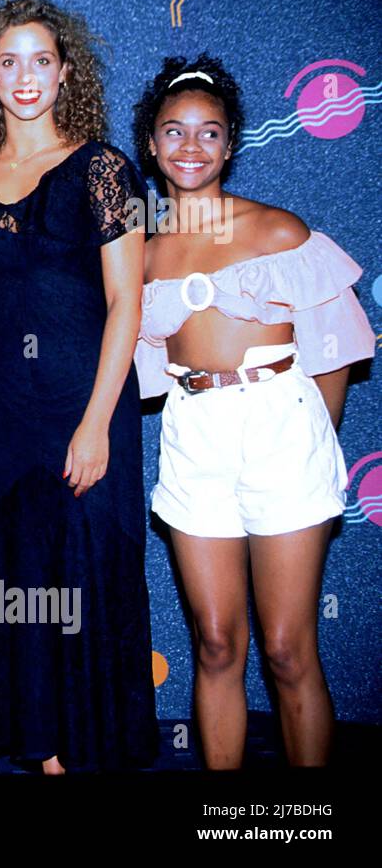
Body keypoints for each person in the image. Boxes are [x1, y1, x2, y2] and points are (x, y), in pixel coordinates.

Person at [0, 0, 157, 773]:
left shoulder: (107, 170)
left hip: (84, 407)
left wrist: (95, 424)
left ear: (65, 74)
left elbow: (129, 301)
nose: (25, 76)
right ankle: (46, 754)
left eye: (41, 60)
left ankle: (97, 751)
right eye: (8, 61)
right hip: (1, 419)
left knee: (91, 581)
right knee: (20, 586)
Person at [132, 55, 374, 768]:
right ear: (151, 143)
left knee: (288, 648)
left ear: (232, 143)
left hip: (281, 431)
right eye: (174, 132)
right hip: (193, 434)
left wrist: (302, 443)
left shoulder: (279, 232)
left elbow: (336, 359)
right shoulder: (141, 254)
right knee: (214, 641)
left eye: (209, 133)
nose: (190, 148)